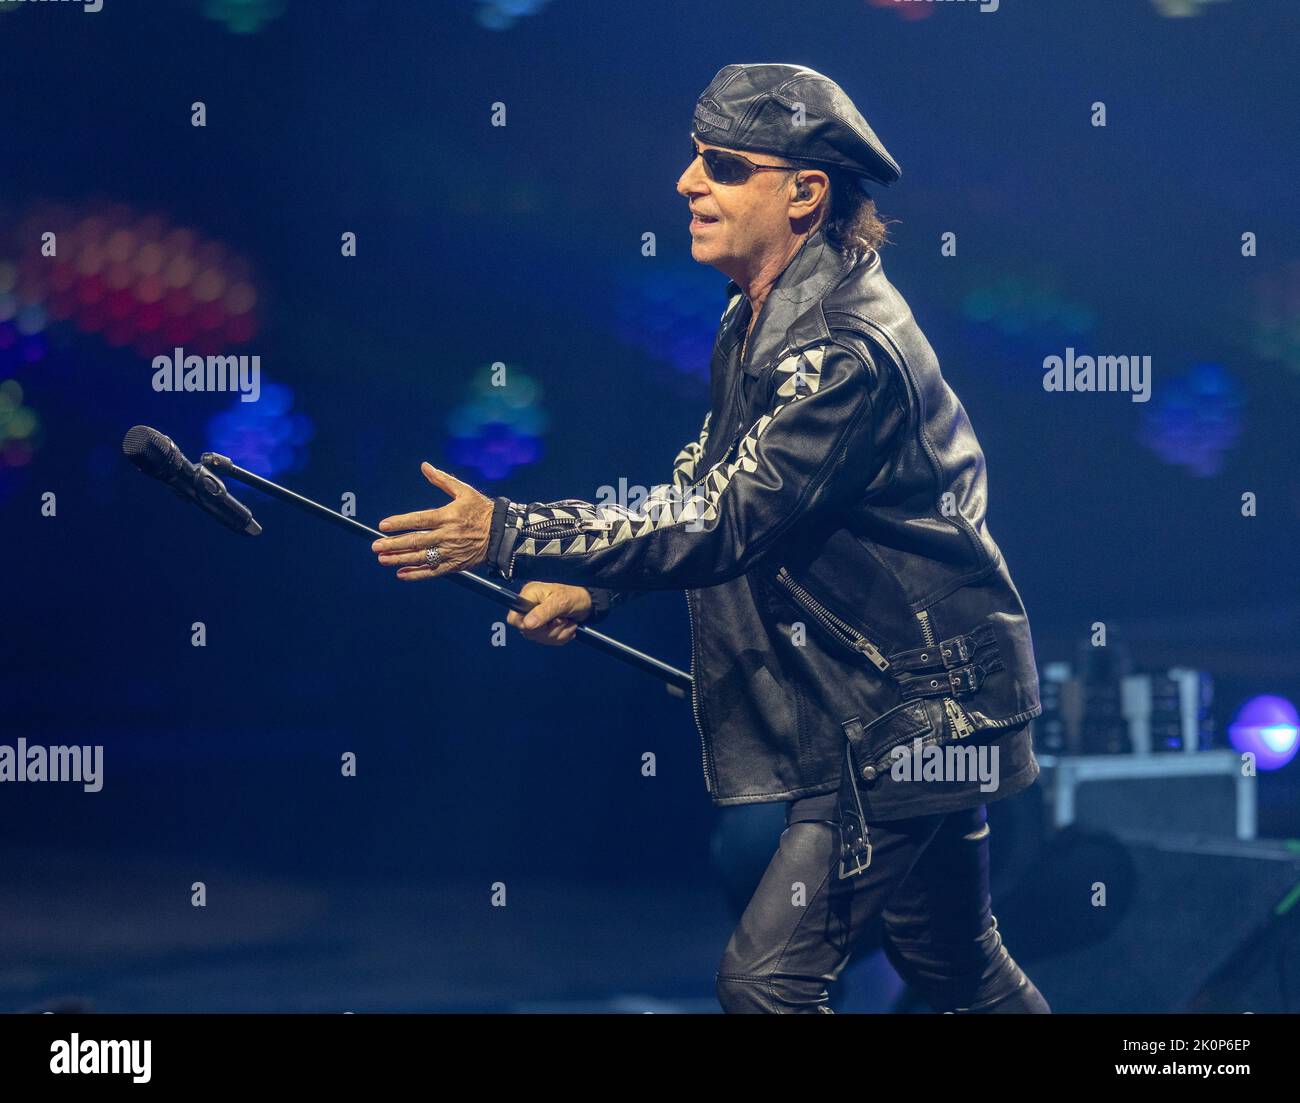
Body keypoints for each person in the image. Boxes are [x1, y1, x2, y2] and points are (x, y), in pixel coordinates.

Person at [370, 62, 1050, 1014]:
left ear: (805, 192)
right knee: (953, 965)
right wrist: (597, 586)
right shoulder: (766, 312)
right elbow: (710, 480)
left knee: (767, 982)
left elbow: (726, 522)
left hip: (910, 718)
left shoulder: (841, 350)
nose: (688, 184)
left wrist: (515, 532)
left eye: (724, 166)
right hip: (919, 703)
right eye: (696, 160)